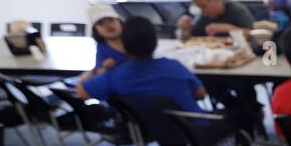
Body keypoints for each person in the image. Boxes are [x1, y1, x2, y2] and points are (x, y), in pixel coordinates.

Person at [77, 15, 205, 113]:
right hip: (196, 133)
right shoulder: (174, 67)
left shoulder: (112, 76)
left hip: (152, 134)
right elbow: (200, 94)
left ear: (125, 44)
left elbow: (81, 93)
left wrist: (90, 73)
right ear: (155, 42)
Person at [178, 0, 256, 41]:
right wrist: (185, 30)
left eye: (203, 6)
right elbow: (191, 40)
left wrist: (226, 28)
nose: (202, 11)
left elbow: (254, 36)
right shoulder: (204, 17)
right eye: (199, 8)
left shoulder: (238, 11)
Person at [84, 4, 126, 81]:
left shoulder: (133, 43)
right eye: (101, 23)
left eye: (111, 20)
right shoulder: (102, 50)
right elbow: (99, 73)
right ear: (96, 31)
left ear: (120, 22)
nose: (108, 25)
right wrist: (104, 67)